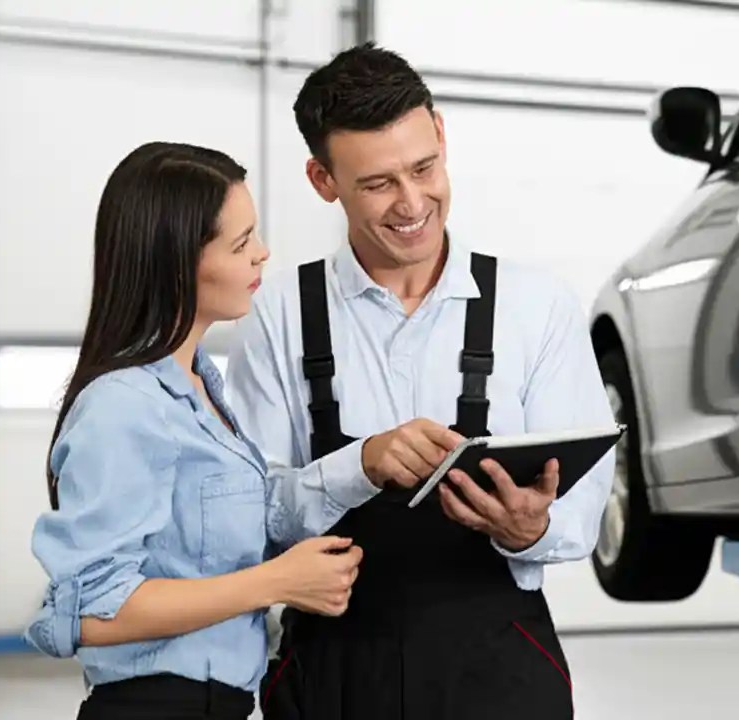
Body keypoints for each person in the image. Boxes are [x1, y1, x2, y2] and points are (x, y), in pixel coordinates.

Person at [223, 43, 616, 720]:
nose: (412, 203)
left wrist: (530, 528)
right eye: (378, 184)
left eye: (424, 168)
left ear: (440, 133)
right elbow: (247, 518)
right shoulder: (278, 314)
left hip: (499, 672)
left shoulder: (537, 307)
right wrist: (357, 467)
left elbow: (581, 515)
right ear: (323, 179)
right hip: (332, 674)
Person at [23, 141, 364, 720]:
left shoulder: (201, 385)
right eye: (241, 243)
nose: (262, 254)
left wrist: (366, 465)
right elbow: (94, 609)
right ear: (178, 263)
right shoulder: (124, 403)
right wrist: (276, 582)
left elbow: (249, 517)